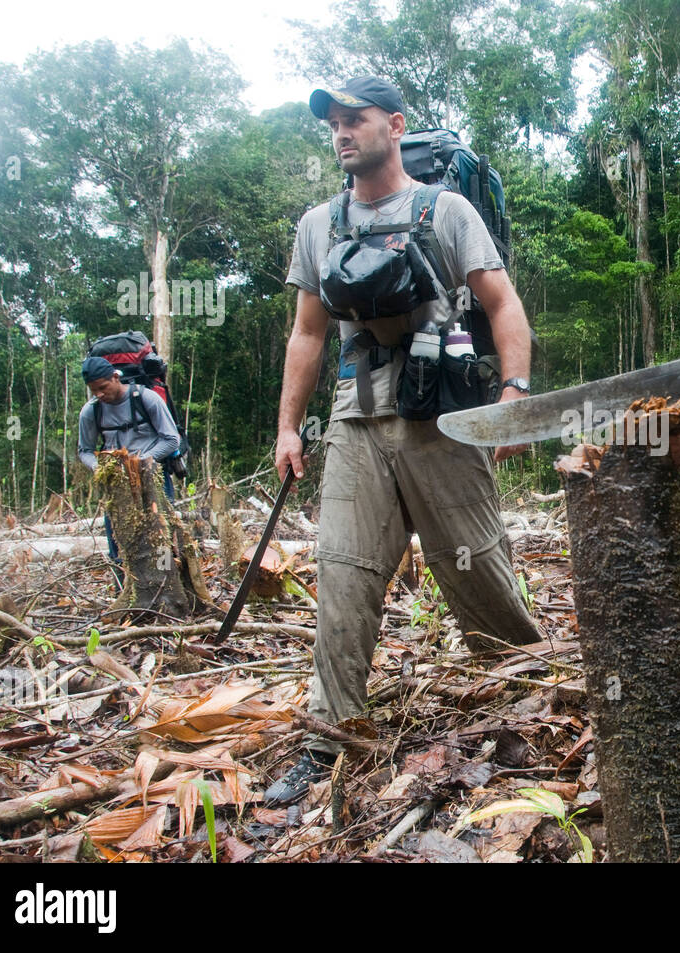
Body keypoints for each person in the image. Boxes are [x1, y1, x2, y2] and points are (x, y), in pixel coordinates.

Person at [266, 76, 540, 806]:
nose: (342, 133)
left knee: (479, 569)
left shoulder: (444, 210)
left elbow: (501, 302)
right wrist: (289, 425)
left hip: (445, 423)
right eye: (333, 124)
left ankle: (532, 695)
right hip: (357, 423)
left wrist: (513, 394)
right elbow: (307, 332)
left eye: (356, 120)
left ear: (395, 124)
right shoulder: (317, 224)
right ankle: (330, 738)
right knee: (344, 576)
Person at [76, 355, 180, 580]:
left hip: (154, 480)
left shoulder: (147, 399)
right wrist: (99, 468)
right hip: (118, 487)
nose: (100, 395)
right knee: (118, 541)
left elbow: (172, 439)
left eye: (103, 388)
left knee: (162, 536)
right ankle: (125, 591)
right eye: (94, 391)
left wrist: (140, 463)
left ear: (116, 377)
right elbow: (84, 450)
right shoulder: (91, 411)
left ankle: (168, 589)